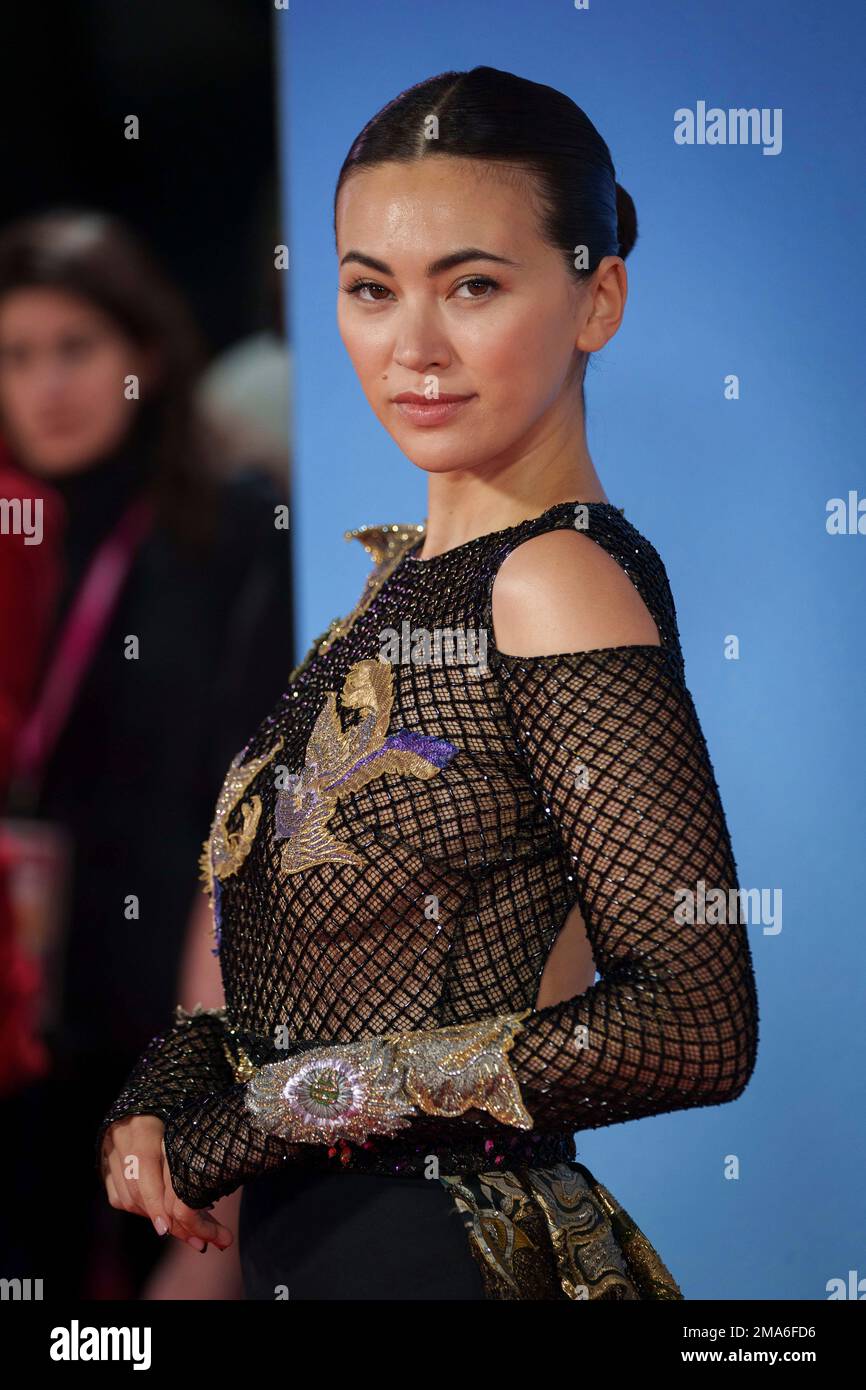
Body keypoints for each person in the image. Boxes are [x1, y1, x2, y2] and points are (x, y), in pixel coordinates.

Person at [96, 66, 759, 1301]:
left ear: (595, 297)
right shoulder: (402, 590)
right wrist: (181, 1077)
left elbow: (692, 1024)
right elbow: (325, 971)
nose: (414, 348)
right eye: (368, 289)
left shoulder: (550, 577)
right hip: (333, 1251)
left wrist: (266, 1110)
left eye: (472, 285)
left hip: (447, 1252)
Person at [0, 209, 291, 1299]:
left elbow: (249, 810)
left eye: (75, 350)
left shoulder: (229, 524)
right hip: (23, 994)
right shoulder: (10, 525)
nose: (45, 386)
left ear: (147, 358)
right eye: (15, 357)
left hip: (155, 1004)